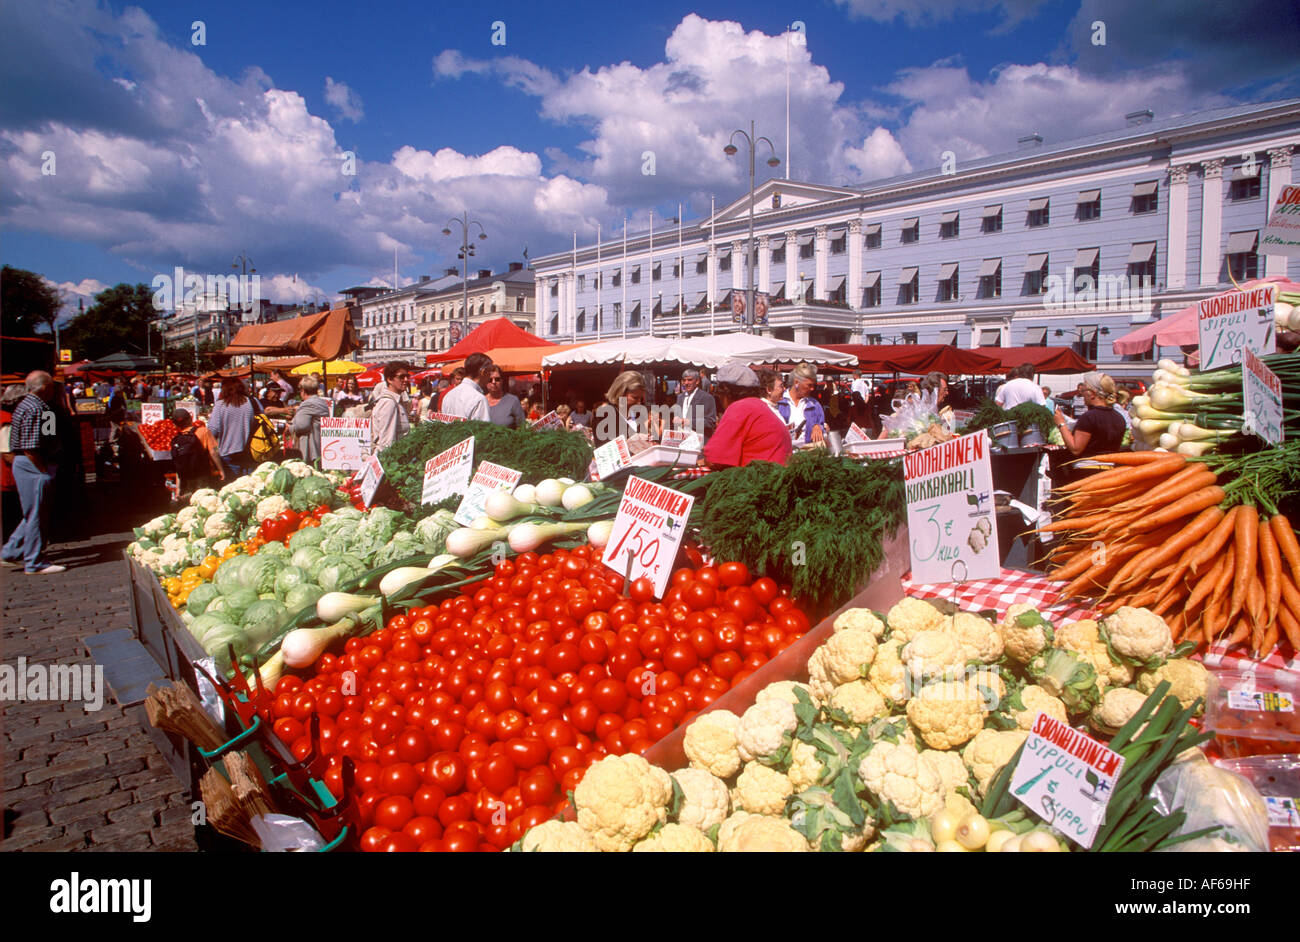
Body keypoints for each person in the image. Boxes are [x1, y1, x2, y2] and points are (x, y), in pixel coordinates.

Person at [1, 372, 66, 573]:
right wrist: (42, 469)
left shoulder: (39, 407)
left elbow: (49, 437)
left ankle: (10, 551)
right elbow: (31, 447)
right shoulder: (36, 407)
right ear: (45, 388)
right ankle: (34, 561)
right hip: (34, 463)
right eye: (53, 387)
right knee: (37, 515)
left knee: (33, 513)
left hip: (37, 462)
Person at [703, 363, 792, 469]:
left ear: (726, 393)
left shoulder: (739, 408)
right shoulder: (761, 406)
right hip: (777, 476)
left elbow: (714, 460)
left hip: (759, 480)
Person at [1055, 372, 1127, 460]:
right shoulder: (1119, 417)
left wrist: (1061, 424)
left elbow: (1076, 449)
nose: (1082, 395)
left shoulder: (1089, 417)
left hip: (1088, 467)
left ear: (1092, 393)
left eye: (1083, 391)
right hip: (1111, 467)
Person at [207, 378, 265, 479]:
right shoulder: (253, 401)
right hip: (252, 453)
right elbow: (263, 420)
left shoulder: (220, 405)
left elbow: (213, 430)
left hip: (228, 453)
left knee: (233, 489)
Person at [593, 370, 654, 449]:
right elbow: (603, 453)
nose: (639, 403)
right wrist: (630, 443)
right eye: (635, 398)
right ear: (620, 393)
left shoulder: (638, 413)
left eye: (641, 399)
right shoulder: (604, 415)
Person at [169, 408, 223, 489]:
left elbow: (178, 463)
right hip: (203, 475)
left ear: (176, 424)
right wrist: (221, 470)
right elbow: (213, 452)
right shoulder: (204, 431)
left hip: (187, 478)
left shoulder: (177, 439)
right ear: (191, 418)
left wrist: (178, 489)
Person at [1, 384, 27, 543]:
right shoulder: (7, 420)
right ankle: (11, 550)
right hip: (8, 477)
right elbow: (7, 452)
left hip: (9, 476)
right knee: (12, 516)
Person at [777, 362, 827, 446]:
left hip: (807, 454)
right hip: (783, 451)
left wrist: (819, 427)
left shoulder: (815, 405)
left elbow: (823, 427)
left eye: (813, 385)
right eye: (809, 385)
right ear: (796, 382)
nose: (812, 389)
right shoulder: (779, 403)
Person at [288, 377, 332, 462]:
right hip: (320, 444)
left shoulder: (308, 404)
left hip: (311, 450)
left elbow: (301, 426)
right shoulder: (321, 402)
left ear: (303, 390)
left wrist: (289, 428)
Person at [371, 361, 413, 452]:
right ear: (389, 379)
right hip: (391, 459)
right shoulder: (389, 403)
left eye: (407, 376)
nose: (406, 379)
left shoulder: (395, 401)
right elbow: (387, 442)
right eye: (401, 377)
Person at [442, 353, 492, 422]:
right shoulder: (479, 399)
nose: (490, 376)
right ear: (483, 372)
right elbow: (483, 430)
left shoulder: (448, 395)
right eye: (490, 371)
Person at [675, 369, 717, 443]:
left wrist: (688, 422)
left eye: (689, 380)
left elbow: (710, 422)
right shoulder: (680, 397)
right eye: (684, 380)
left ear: (697, 381)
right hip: (682, 441)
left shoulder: (706, 398)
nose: (686, 383)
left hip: (699, 442)